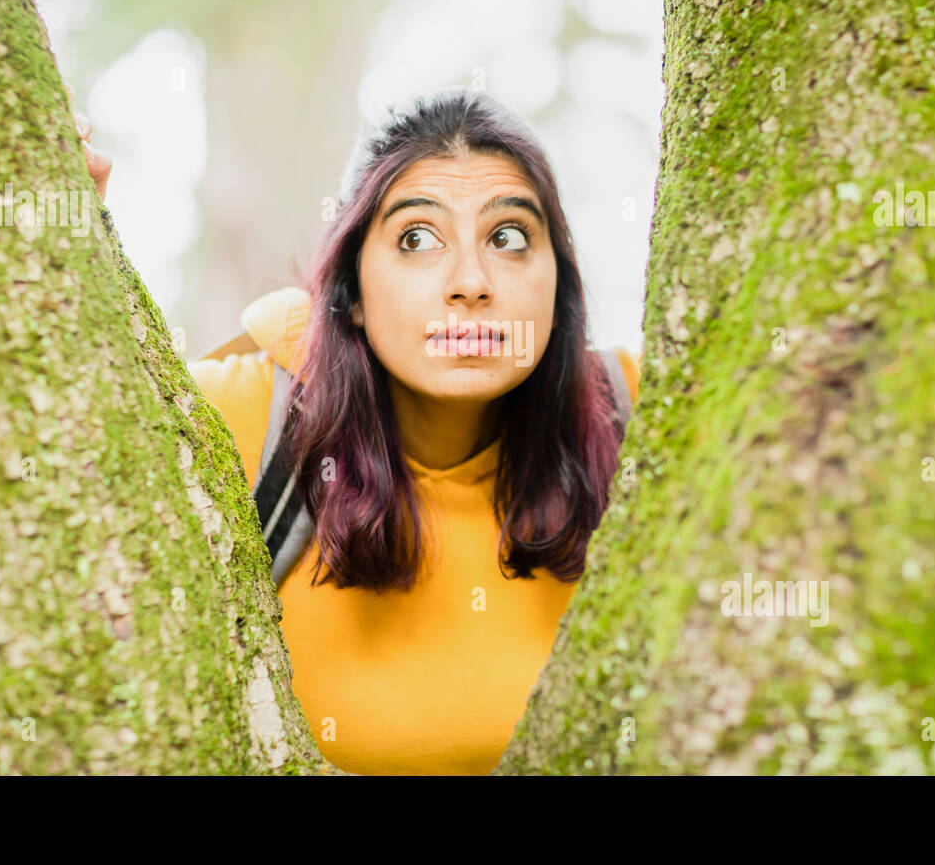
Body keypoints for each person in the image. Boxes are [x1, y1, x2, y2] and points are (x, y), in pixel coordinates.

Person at [79, 86, 640, 775]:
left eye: (510, 237)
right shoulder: (242, 421)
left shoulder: (638, 417)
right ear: (351, 295)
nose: (470, 281)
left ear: (561, 284)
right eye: (416, 239)